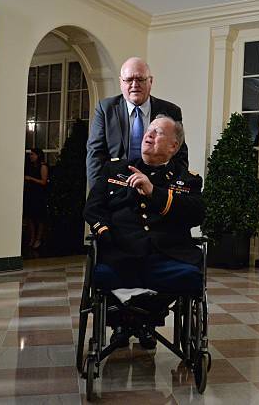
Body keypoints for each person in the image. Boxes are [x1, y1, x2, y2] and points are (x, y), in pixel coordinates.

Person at [84, 114, 203, 350]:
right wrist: (105, 234)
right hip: (121, 255)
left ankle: (146, 320)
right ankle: (124, 323)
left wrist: (153, 192)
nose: (149, 135)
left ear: (173, 146)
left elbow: (197, 214)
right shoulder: (115, 169)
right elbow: (93, 208)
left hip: (168, 256)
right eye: (149, 130)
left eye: (158, 132)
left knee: (188, 277)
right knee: (105, 274)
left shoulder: (187, 180)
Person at [86, 57, 188, 189]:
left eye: (140, 79)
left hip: (157, 188)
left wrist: (166, 193)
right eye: (128, 80)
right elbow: (95, 155)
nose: (134, 85)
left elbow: (179, 155)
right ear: (121, 82)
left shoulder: (170, 111)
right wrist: (99, 192)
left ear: (150, 81)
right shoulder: (106, 109)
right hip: (115, 189)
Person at [23, 148, 49, 249]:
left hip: (38, 194)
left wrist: (31, 179)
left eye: (33, 155)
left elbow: (43, 181)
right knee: (30, 217)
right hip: (30, 193)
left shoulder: (42, 166)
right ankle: (32, 238)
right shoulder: (30, 166)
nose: (31, 157)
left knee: (39, 218)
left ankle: (38, 238)